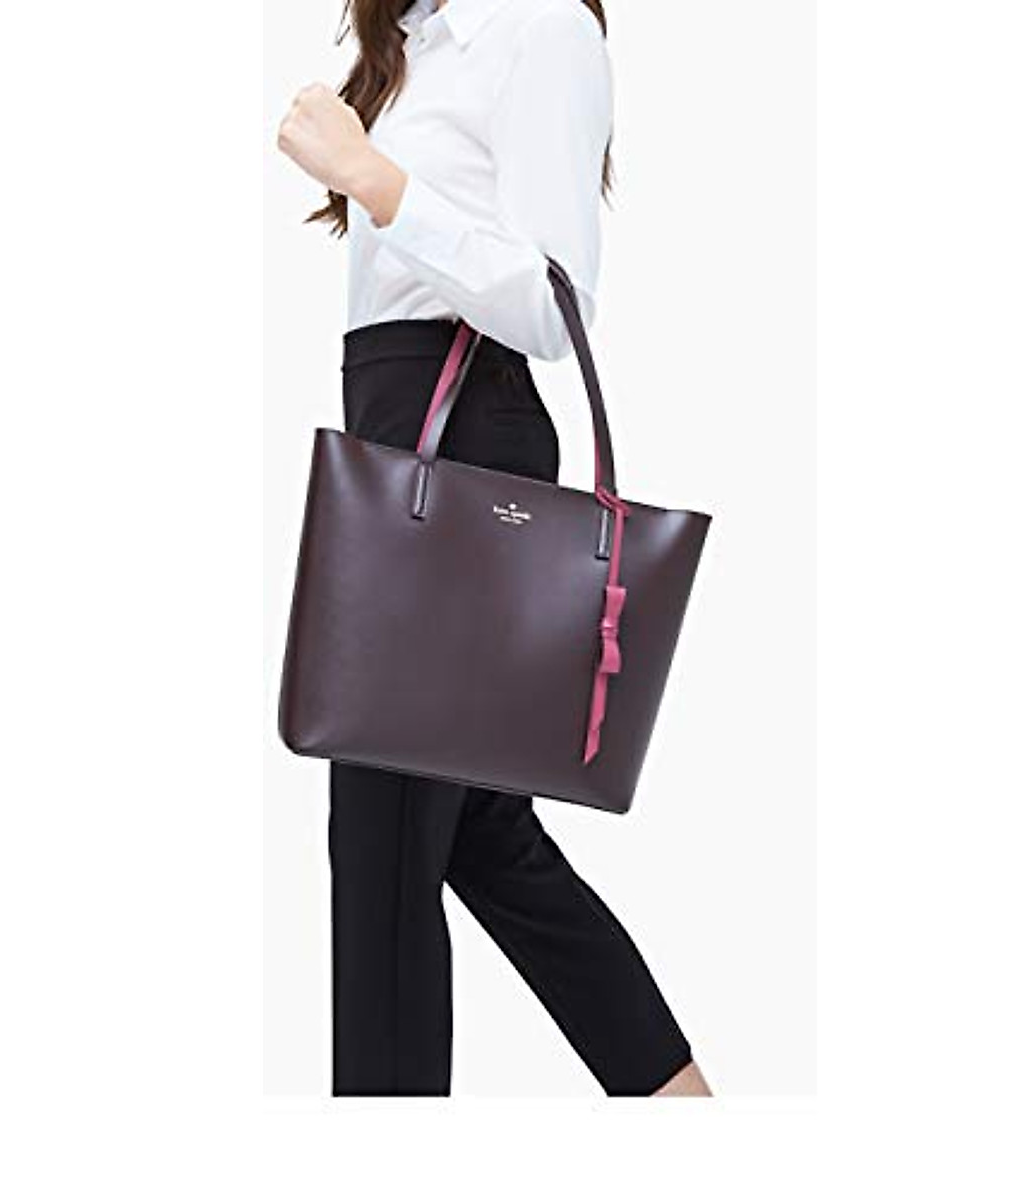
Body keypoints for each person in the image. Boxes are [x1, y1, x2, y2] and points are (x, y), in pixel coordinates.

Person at [277, 0, 711, 1097]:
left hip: (463, 444)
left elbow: (554, 306)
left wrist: (375, 179)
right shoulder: (417, 43)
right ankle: (683, 1106)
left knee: (382, 847)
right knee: (478, 836)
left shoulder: (541, 28)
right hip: (399, 436)